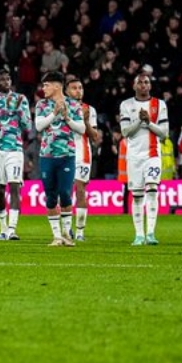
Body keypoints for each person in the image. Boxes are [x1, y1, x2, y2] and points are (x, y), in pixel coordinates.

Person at [35, 71, 87, 246]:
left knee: (65, 193)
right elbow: (38, 126)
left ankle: (66, 234)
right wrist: (54, 114)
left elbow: (81, 129)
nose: (43, 89)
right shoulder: (42, 105)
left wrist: (66, 117)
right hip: (47, 156)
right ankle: (57, 236)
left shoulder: (73, 104)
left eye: (46, 85)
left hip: (67, 155)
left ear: (56, 86)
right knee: (50, 196)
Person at [0, 67, 31, 240]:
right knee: (0, 190)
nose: (6, 82)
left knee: (15, 186)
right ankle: (2, 226)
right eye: (2, 79)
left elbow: (28, 126)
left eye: (8, 79)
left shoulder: (21, 99)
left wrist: (18, 110)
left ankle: (12, 228)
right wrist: (3, 110)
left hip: (15, 148)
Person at [119, 72, 170, 245]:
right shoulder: (126, 105)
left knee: (152, 190)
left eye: (146, 82)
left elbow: (164, 133)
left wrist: (149, 122)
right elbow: (125, 132)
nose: (143, 85)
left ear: (150, 85)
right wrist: (139, 122)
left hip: (152, 155)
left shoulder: (159, 104)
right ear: (134, 86)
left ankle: (150, 234)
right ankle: (139, 235)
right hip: (134, 157)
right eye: (139, 82)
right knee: (138, 196)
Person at [66, 76, 100, 241]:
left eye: (80, 87)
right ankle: (66, 229)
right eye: (74, 88)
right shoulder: (60, 107)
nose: (78, 91)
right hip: (63, 153)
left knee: (80, 190)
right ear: (66, 91)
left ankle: (79, 232)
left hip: (82, 154)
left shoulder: (89, 109)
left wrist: (85, 120)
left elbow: (95, 137)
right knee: (63, 194)